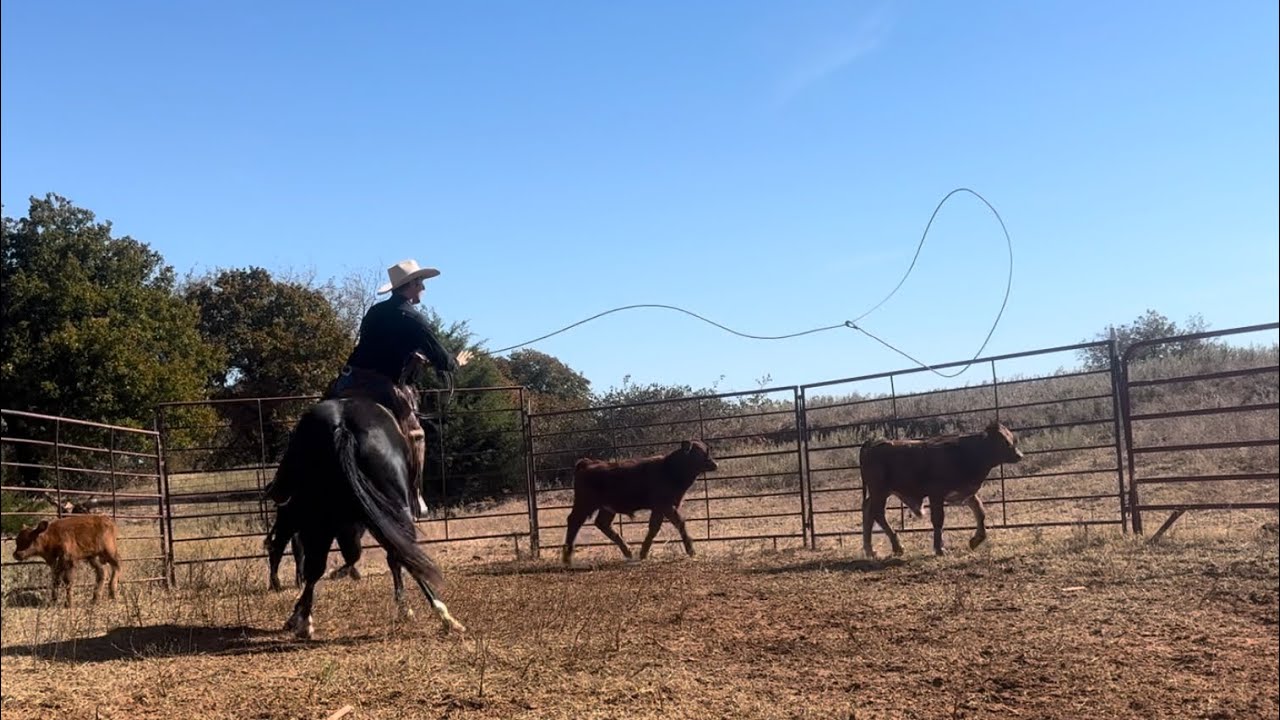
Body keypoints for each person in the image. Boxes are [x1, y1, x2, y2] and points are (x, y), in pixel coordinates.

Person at [268, 259, 471, 516]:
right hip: (383, 385)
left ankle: (282, 483)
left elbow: (375, 345)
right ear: (410, 285)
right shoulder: (414, 318)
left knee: (312, 420)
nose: (423, 288)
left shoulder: (375, 312)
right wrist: (457, 362)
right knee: (415, 433)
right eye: (420, 283)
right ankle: (414, 493)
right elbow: (443, 361)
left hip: (351, 378)